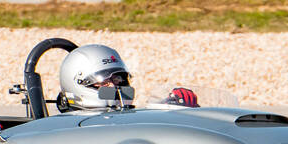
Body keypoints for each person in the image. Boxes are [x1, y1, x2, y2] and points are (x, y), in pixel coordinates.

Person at [57, 44, 199, 112]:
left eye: (118, 79)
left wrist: (170, 106)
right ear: (79, 84)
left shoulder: (123, 115)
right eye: (104, 83)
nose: (114, 87)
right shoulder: (68, 129)